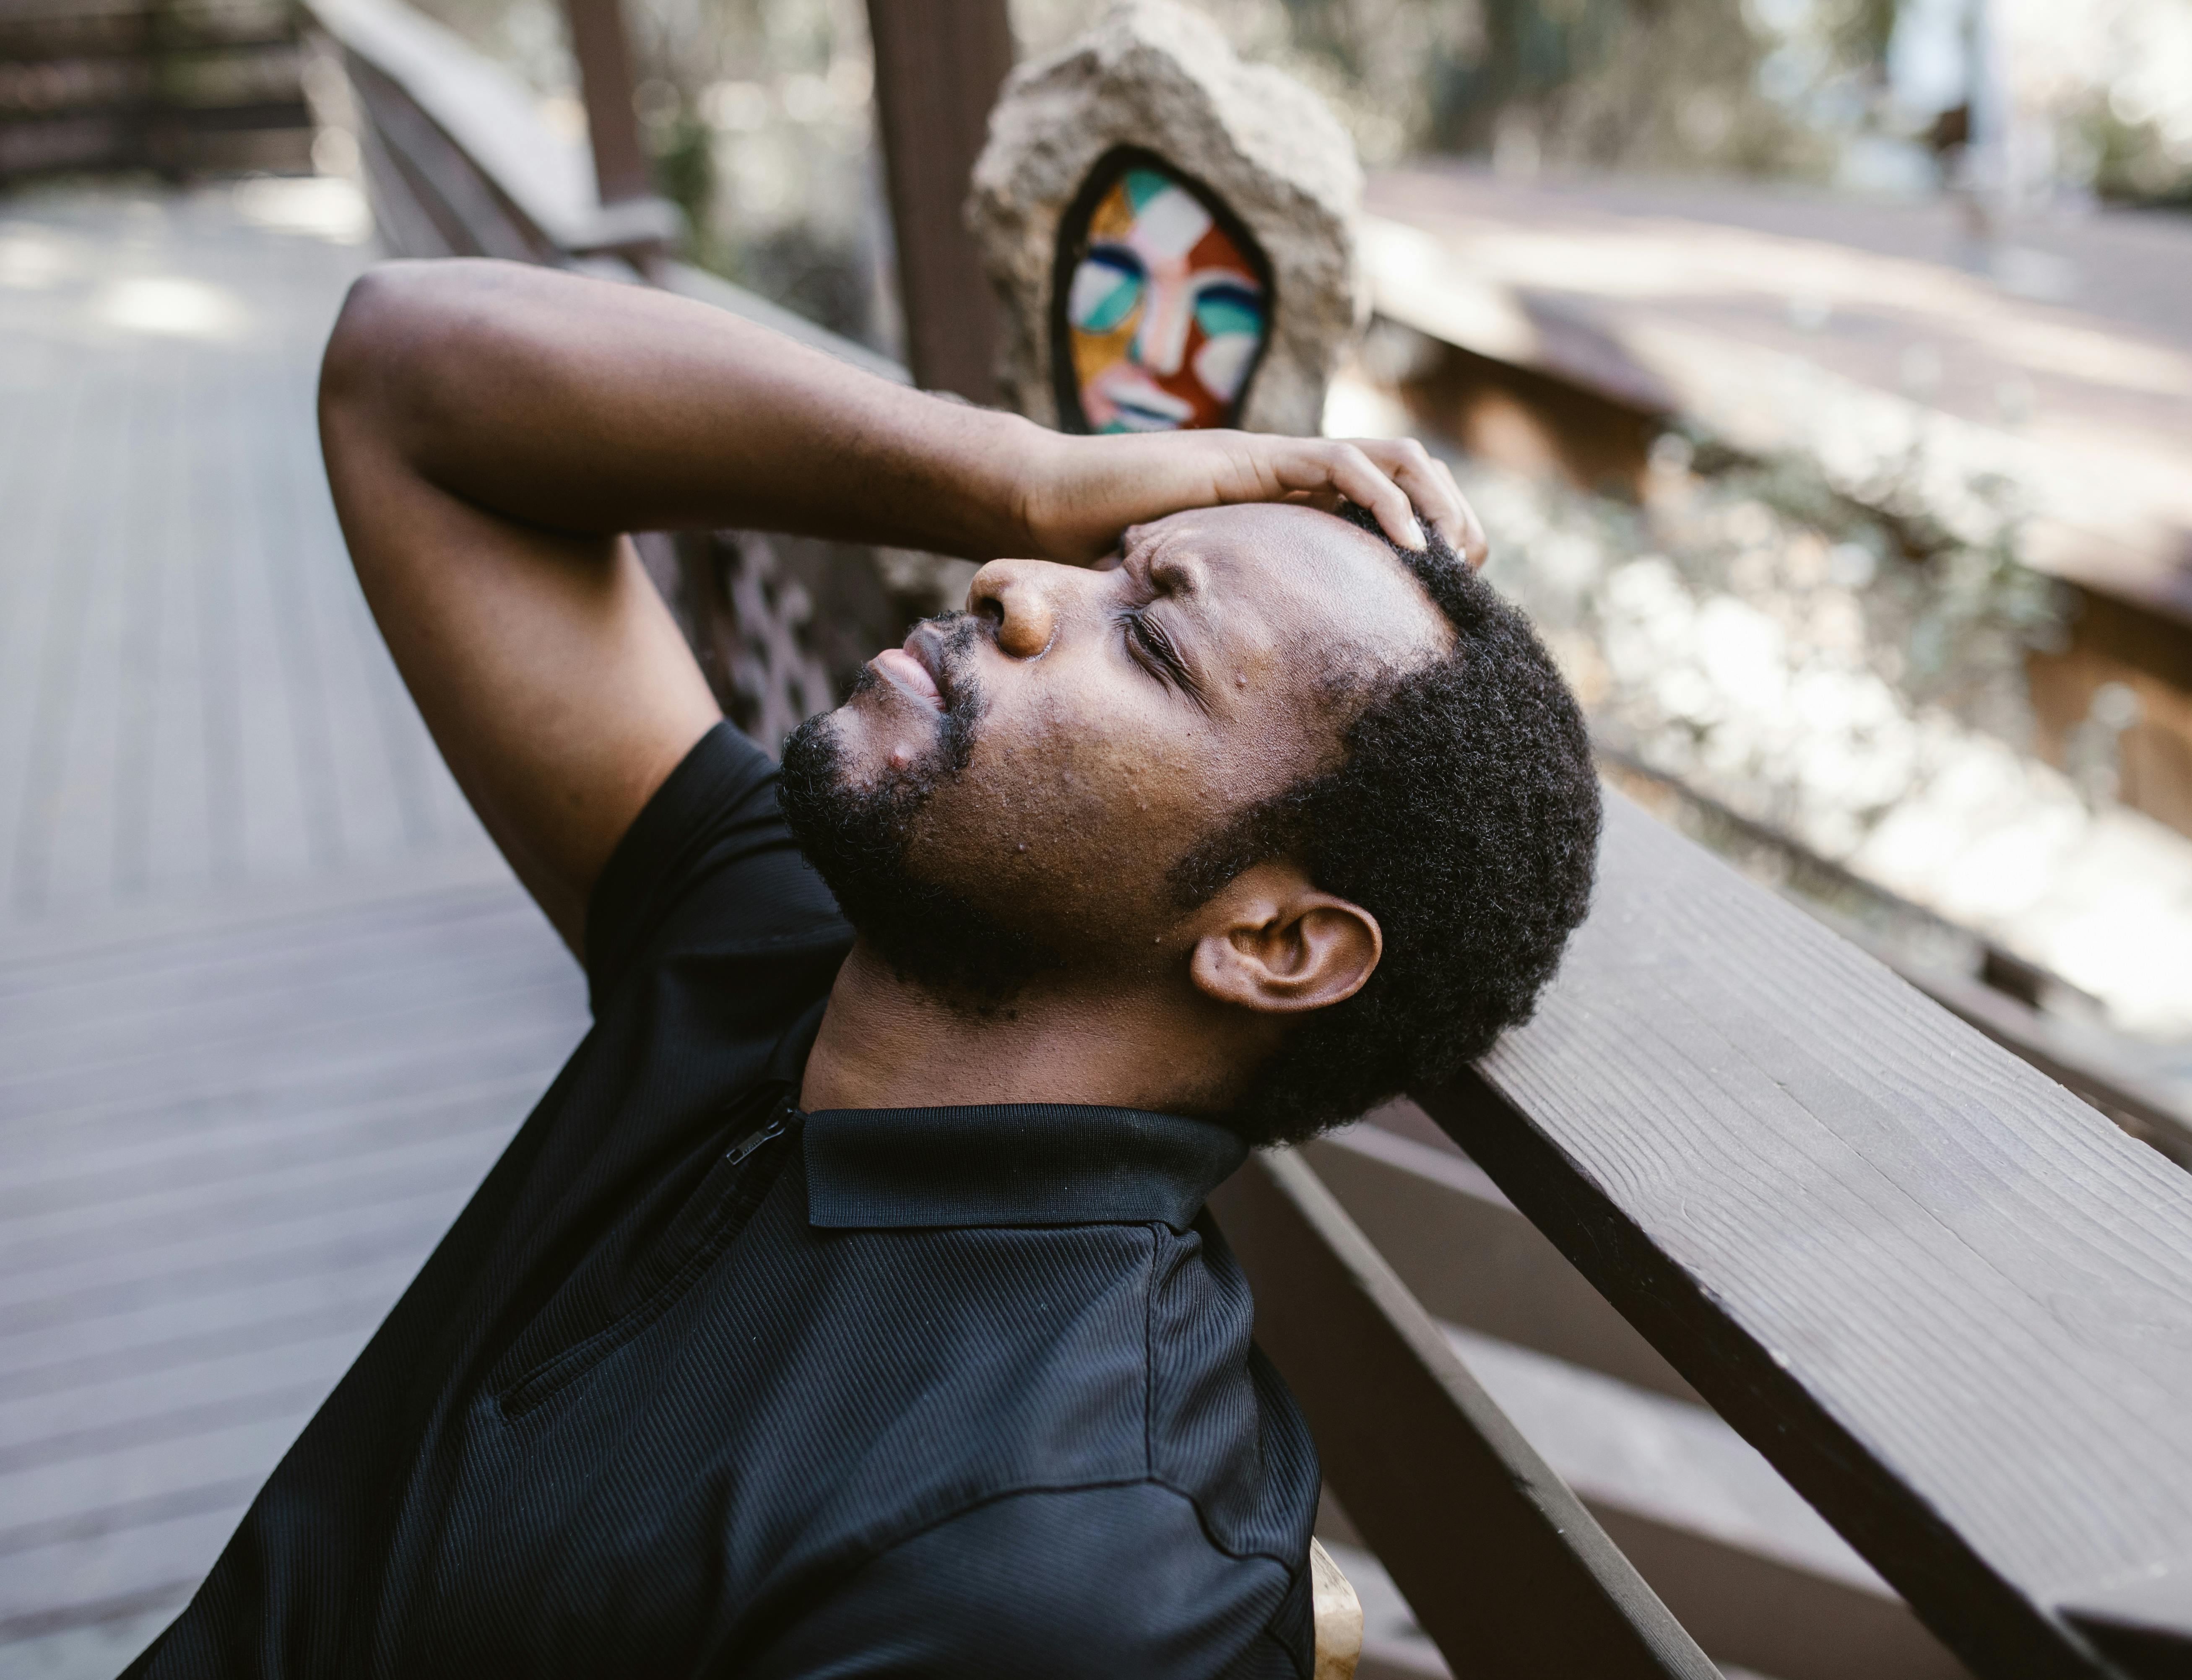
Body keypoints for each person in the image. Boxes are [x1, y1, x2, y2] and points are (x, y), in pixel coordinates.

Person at [125, 259, 1600, 1679]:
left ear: (1273, 945)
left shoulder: (1063, 1566)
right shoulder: (778, 947)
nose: (1014, 583)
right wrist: (1020, 467)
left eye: (1148, 639)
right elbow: (408, 370)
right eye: (1098, 559)